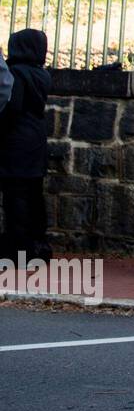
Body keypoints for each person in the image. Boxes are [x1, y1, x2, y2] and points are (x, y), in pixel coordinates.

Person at [0, 29, 52, 263]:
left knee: (15, 197)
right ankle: (38, 245)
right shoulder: (40, 75)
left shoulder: (16, 74)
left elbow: (11, 107)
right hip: (36, 141)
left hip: (15, 143)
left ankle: (18, 250)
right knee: (33, 195)